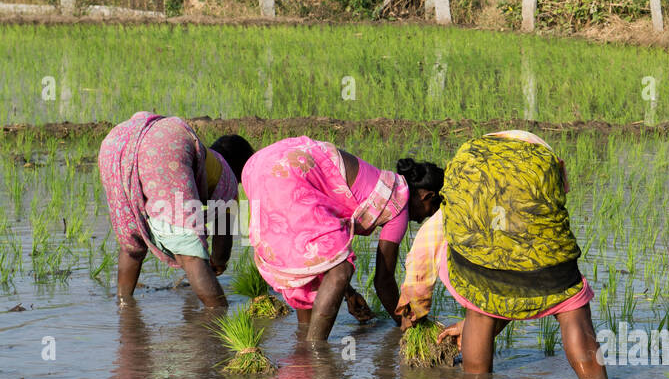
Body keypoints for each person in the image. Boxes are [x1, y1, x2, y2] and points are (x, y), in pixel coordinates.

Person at [396, 130, 607, 379]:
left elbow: (420, 265)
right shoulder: (536, 156)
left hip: (478, 261)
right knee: (570, 307)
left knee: (480, 309)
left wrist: (412, 314)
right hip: (547, 248)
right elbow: (545, 217)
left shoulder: (459, 199)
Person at [242, 137, 442, 341]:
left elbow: (323, 261)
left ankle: (302, 345)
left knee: (312, 266)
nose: (422, 220)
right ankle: (316, 350)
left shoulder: (383, 181)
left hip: (261, 165)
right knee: (341, 270)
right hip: (290, 170)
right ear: (427, 196)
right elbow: (383, 281)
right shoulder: (399, 203)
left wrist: (349, 293)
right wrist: (406, 324)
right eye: (430, 212)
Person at [98, 112, 253, 308]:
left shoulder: (207, 161)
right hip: (165, 145)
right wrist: (216, 264)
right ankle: (217, 316)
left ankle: (124, 305)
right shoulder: (228, 178)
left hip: (117, 144)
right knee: (191, 255)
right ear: (241, 169)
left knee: (132, 245)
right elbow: (222, 244)